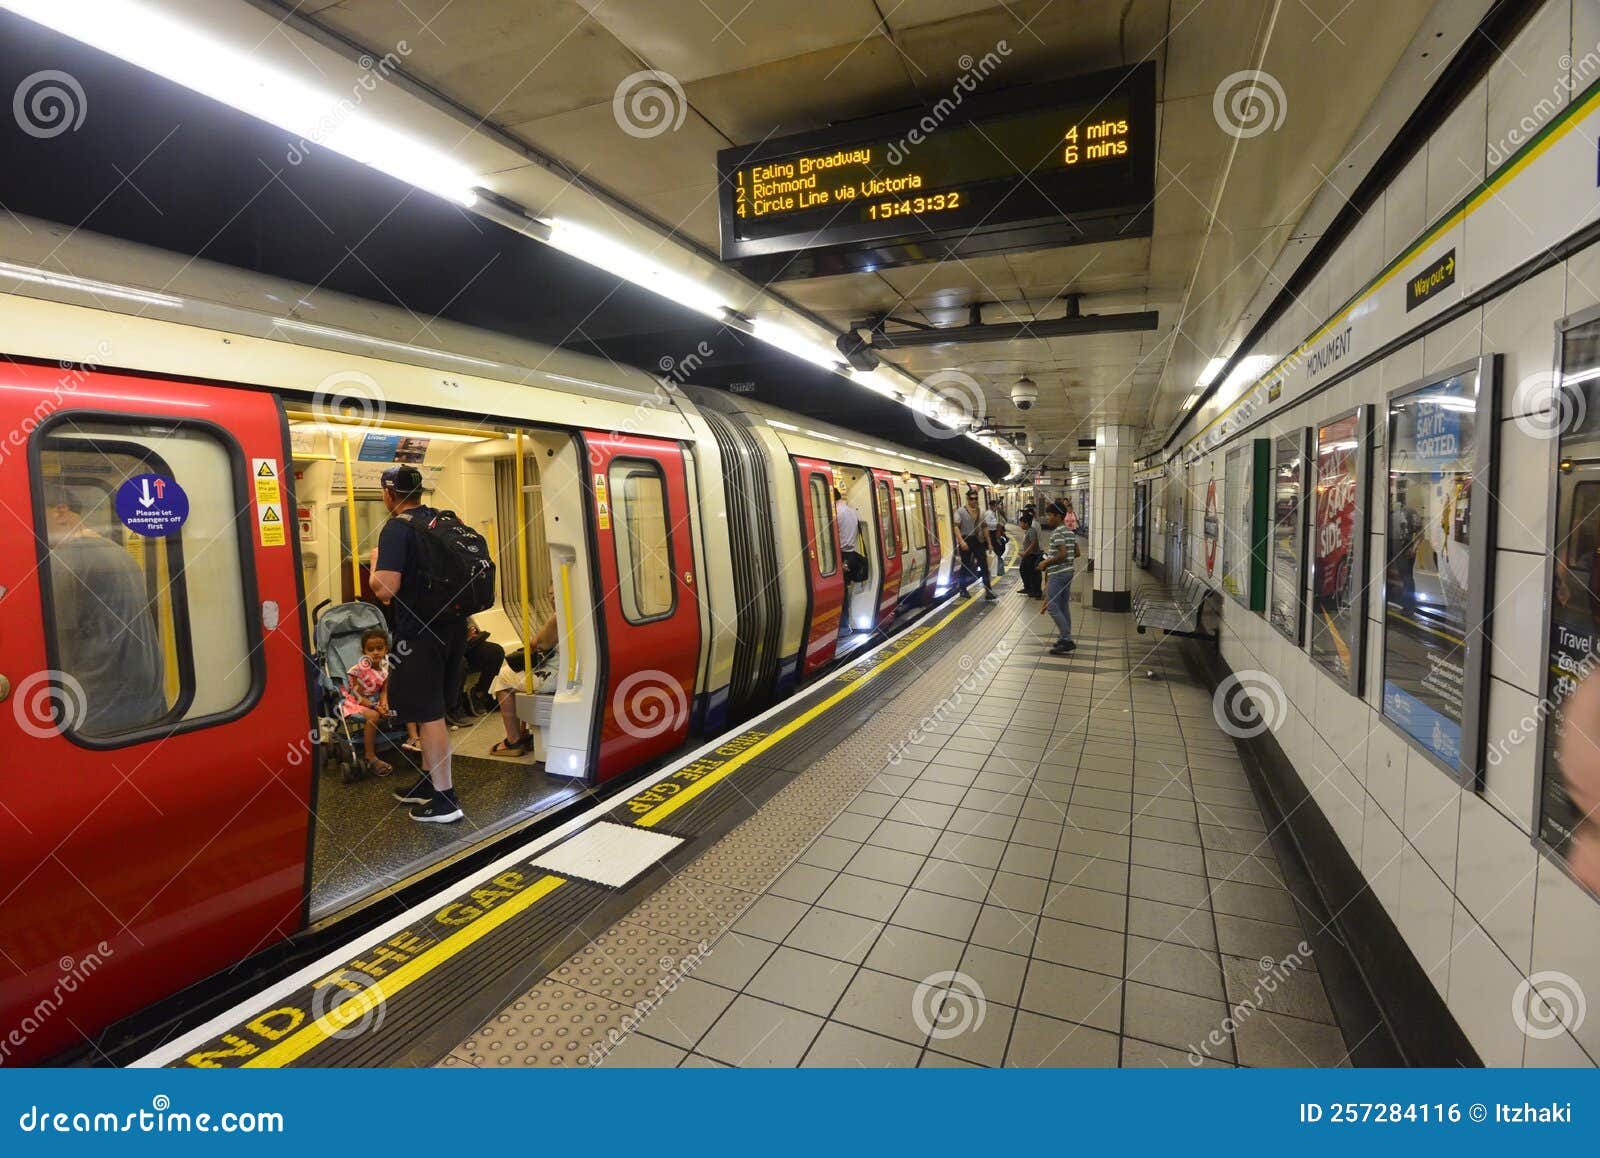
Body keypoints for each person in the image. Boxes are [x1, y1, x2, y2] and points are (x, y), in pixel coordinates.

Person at [369, 464, 467, 824]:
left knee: (429, 715)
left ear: (389, 495)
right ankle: (429, 782)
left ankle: (445, 799)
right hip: (453, 627)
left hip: (421, 634)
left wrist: (374, 564)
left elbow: (384, 590)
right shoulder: (439, 521)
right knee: (435, 709)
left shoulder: (396, 529)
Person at [42, 485, 165, 737]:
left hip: (98, 713)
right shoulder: (118, 552)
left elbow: (55, 648)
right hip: (147, 700)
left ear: (60, 512)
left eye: (35, 515)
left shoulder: (65, 560)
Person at [486, 590, 561, 757]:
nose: (551, 598)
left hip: (553, 677)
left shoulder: (559, 617)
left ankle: (513, 740)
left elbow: (538, 643)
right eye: (549, 594)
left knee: (503, 676)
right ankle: (524, 733)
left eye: (554, 594)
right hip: (569, 672)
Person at [342, 629, 394, 777]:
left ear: (386, 649)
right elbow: (357, 695)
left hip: (376, 699)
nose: (376, 652)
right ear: (364, 651)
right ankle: (370, 756)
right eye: (370, 649)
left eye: (379, 648)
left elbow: (384, 689)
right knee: (373, 716)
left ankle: (412, 738)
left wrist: (384, 704)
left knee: (402, 703)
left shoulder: (385, 668)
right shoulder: (359, 669)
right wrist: (375, 707)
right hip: (359, 701)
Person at [1038, 500, 1078, 654]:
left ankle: (1067, 639)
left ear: (1057, 516)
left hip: (1058, 574)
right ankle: (1064, 637)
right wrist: (1065, 559)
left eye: (1049, 515)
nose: (1048, 518)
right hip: (1068, 572)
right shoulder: (1069, 532)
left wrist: (1046, 563)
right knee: (1063, 606)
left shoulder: (1057, 532)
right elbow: (1077, 552)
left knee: (1053, 606)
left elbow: (1062, 553)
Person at [448, 616, 505, 723]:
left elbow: (467, 618)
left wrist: (471, 631)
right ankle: (454, 706)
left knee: (495, 651)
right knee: (460, 663)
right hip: (445, 647)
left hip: (464, 644)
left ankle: (479, 694)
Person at [954, 490, 995, 601]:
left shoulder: (981, 512)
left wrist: (989, 543)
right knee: (966, 566)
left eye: (976, 498)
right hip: (966, 540)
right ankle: (963, 589)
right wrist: (961, 541)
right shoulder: (960, 511)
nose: (974, 501)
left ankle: (988, 590)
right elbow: (956, 527)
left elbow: (985, 527)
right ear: (967, 499)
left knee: (984, 566)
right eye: (972, 499)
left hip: (978, 541)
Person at [835, 486, 866, 583]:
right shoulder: (851, 511)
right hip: (851, 556)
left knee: (842, 588)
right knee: (846, 587)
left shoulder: (836, 513)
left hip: (842, 557)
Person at [1016, 510, 1043, 598]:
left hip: (1032, 556)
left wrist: (1025, 553)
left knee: (1031, 573)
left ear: (1026, 523)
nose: (1020, 525)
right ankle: (1029, 588)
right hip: (1029, 555)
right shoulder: (1028, 530)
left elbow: (1033, 543)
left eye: (1021, 523)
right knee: (1025, 571)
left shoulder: (1031, 531)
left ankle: (1034, 590)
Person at [986, 500, 1006, 577]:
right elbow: (987, 525)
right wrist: (997, 524)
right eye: (995, 506)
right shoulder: (988, 513)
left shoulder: (992, 513)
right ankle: (996, 571)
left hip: (994, 534)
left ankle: (998, 570)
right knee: (996, 552)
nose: (996, 508)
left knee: (998, 551)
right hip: (991, 535)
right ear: (992, 505)